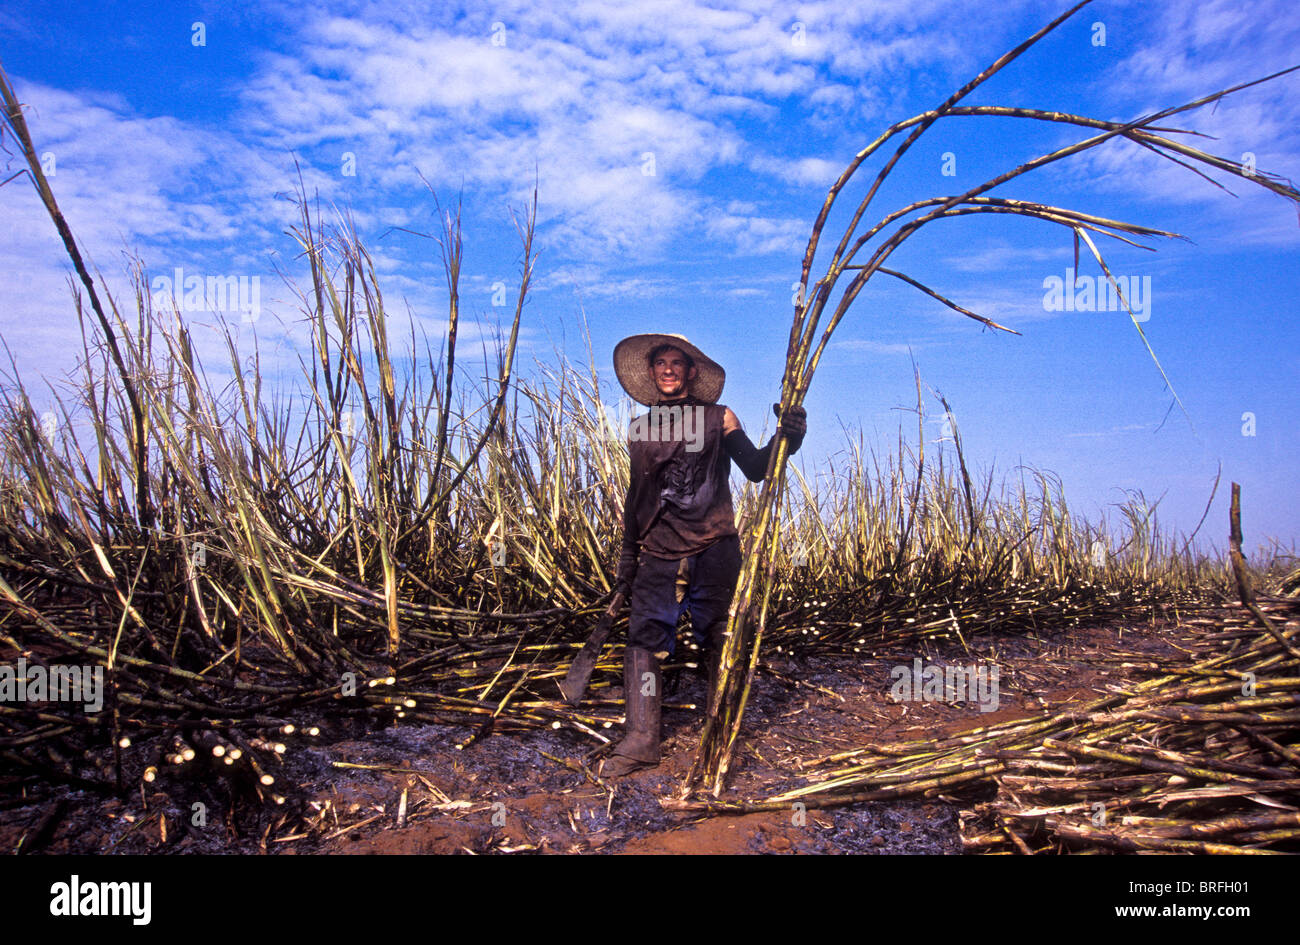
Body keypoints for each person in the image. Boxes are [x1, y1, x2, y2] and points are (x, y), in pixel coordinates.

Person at [602, 333, 806, 777]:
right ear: (653, 373)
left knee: (720, 634)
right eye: (661, 363)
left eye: (677, 363)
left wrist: (788, 438)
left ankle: (721, 726)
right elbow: (638, 497)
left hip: (715, 544)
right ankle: (641, 738)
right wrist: (627, 557)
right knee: (644, 639)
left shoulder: (719, 418)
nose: (669, 370)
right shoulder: (641, 429)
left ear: (692, 372)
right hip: (657, 548)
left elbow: (756, 469)